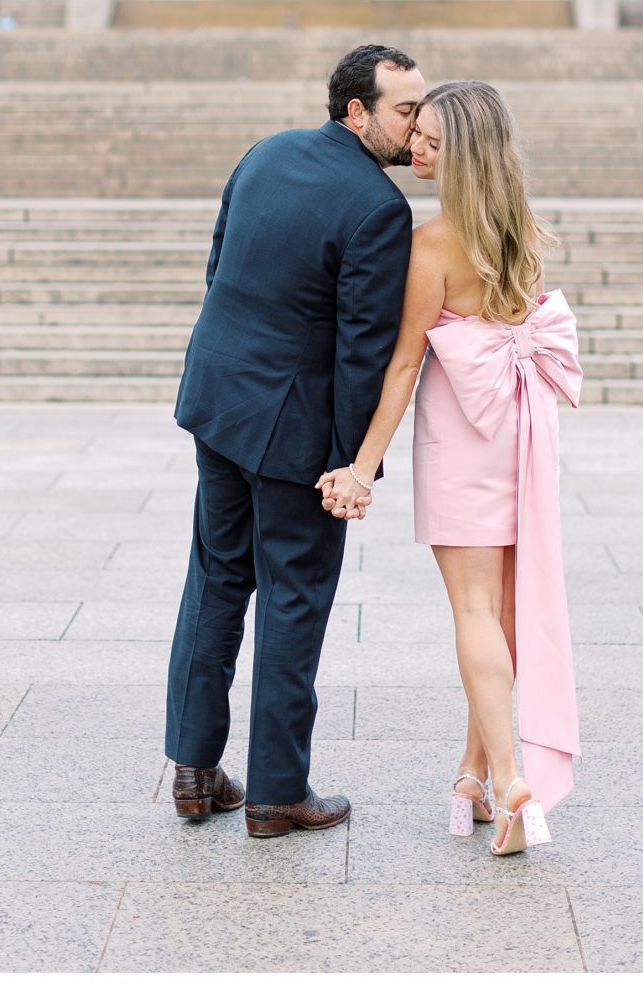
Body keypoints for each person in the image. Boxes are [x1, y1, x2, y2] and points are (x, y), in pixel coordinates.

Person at [165, 44, 427, 837]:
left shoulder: (267, 151)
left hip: (219, 401)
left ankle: (193, 772)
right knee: (294, 601)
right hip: (294, 436)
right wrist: (354, 462)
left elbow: (218, 268)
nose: (419, 123)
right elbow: (363, 353)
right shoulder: (379, 209)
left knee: (215, 581)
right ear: (359, 112)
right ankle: (279, 792)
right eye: (406, 108)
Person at [318, 80, 582, 857]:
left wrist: (361, 467)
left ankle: (511, 779)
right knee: (497, 618)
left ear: (463, 150)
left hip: (463, 438)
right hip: (517, 433)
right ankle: (471, 773)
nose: (416, 148)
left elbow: (403, 367)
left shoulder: (430, 243)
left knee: (473, 614)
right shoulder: (520, 229)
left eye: (432, 138)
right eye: (416, 133)